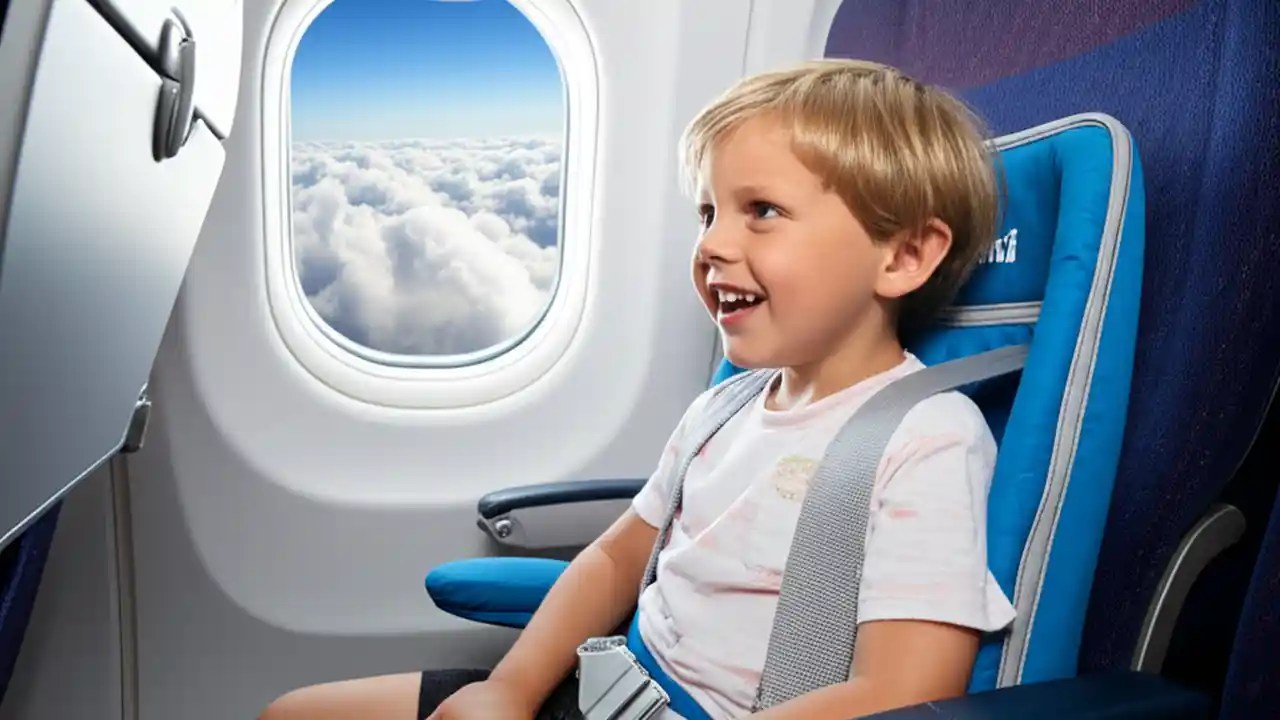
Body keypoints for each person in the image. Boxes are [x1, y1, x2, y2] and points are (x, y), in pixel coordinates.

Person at [259, 58, 1015, 720]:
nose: (714, 243)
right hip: (597, 691)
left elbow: (902, 691)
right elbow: (618, 561)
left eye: (763, 213)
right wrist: (512, 690)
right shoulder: (727, 406)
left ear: (905, 255)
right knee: (291, 713)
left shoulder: (924, 436)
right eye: (710, 212)